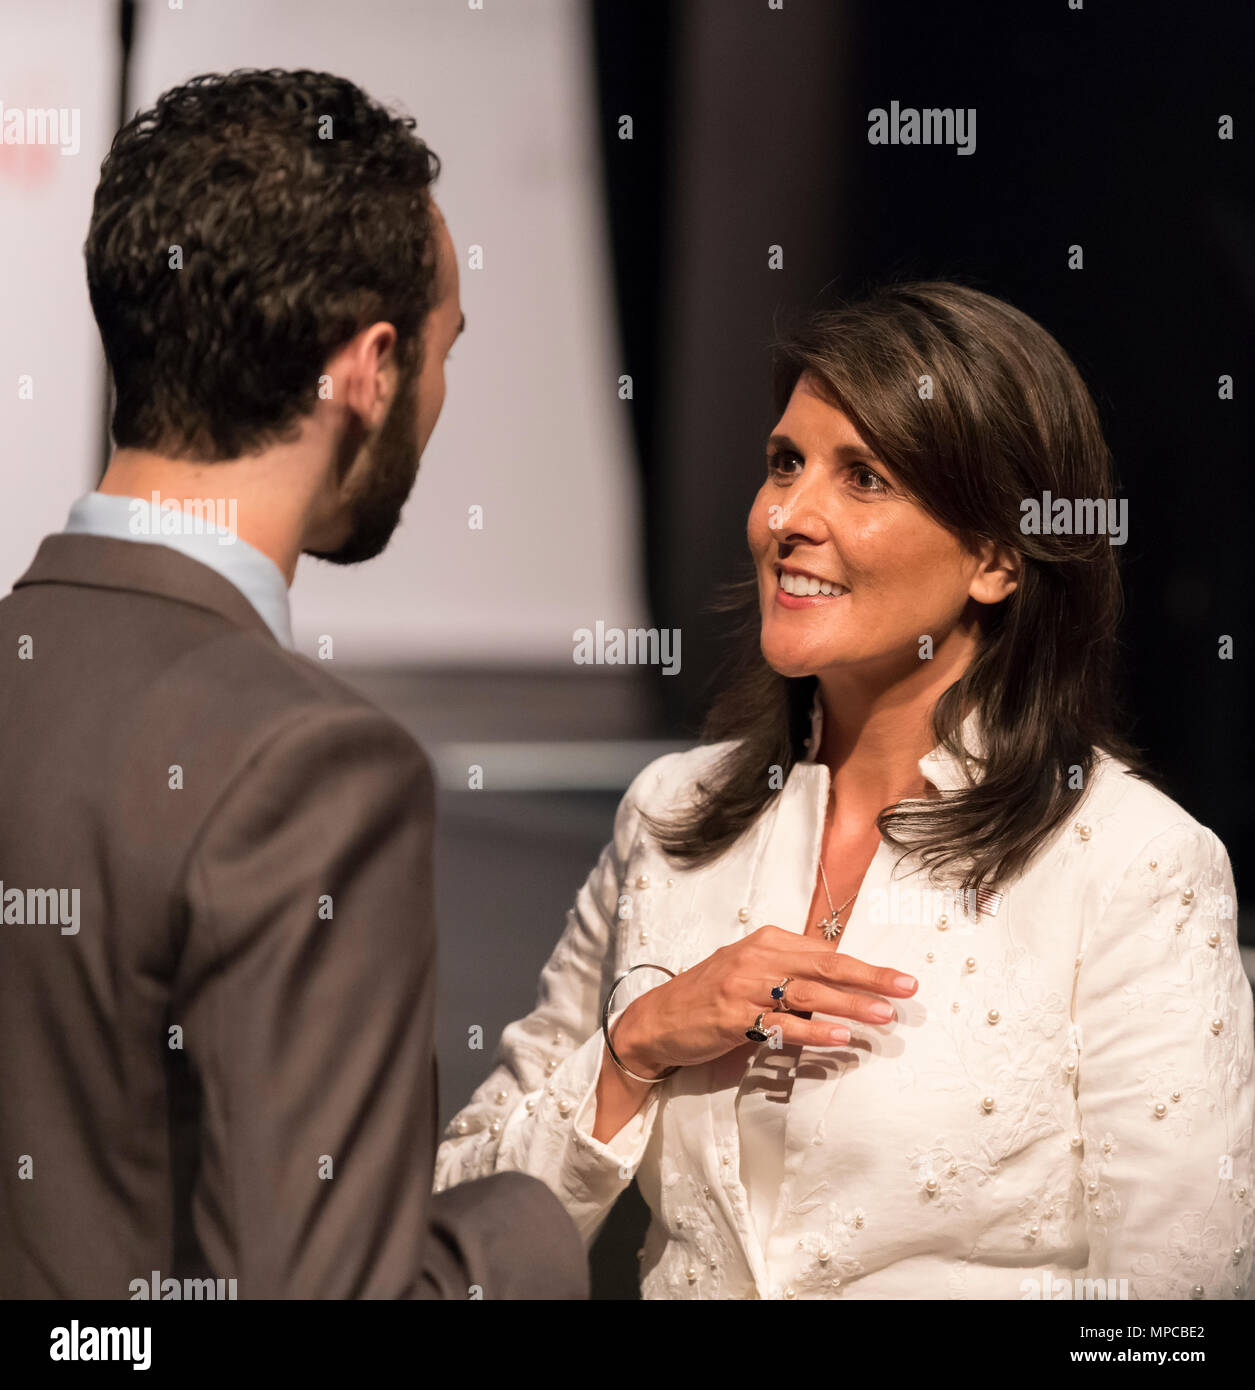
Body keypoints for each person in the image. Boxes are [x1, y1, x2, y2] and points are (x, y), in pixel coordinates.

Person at [436, 281, 1255, 1300]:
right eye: (785, 464)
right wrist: (638, 1041)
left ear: (996, 559)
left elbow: (1175, 1309)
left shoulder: (1131, 862)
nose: (786, 516)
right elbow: (461, 1230)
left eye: (861, 478)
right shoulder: (670, 815)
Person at [0, 68, 586, 1300]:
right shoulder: (310, 772)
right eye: (441, 350)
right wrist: (526, 1233)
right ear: (367, 367)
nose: (435, 395)